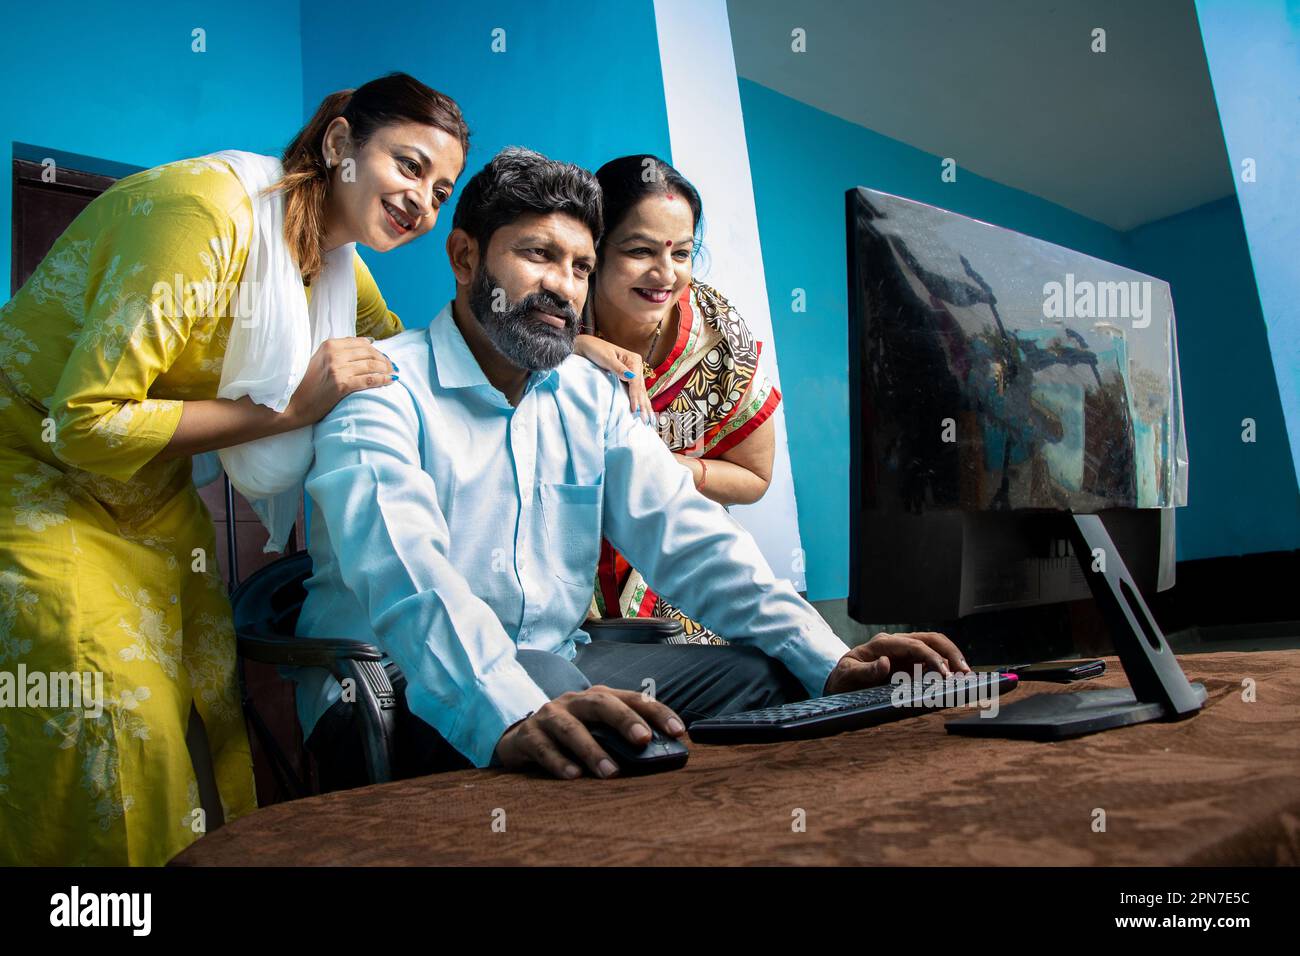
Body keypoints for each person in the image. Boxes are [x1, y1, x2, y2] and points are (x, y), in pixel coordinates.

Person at [295, 147, 968, 786]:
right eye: (538, 255)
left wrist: (832, 658)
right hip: (392, 686)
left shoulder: (587, 396)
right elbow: (411, 580)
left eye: (581, 267)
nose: (562, 287)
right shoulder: (383, 389)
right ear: (465, 255)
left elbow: (687, 536)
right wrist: (509, 706)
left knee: (781, 678)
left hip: (561, 660)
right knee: (555, 697)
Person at [0, 72, 473, 865]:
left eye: (443, 191)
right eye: (409, 165)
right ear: (337, 144)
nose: (424, 201)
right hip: (34, 476)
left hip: (150, 499)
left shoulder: (336, 264)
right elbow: (79, 421)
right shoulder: (203, 217)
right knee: (113, 718)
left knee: (207, 710)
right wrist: (285, 411)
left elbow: (407, 363)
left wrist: (563, 340)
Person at [577, 155, 782, 643]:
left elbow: (754, 477)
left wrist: (658, 471)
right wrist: (571, 349)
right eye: (640, 250)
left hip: (677, 584)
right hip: (559, 578)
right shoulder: (553, 311)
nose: (665, 274)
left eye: (683, 254)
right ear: (595, 248)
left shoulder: (719, 333)